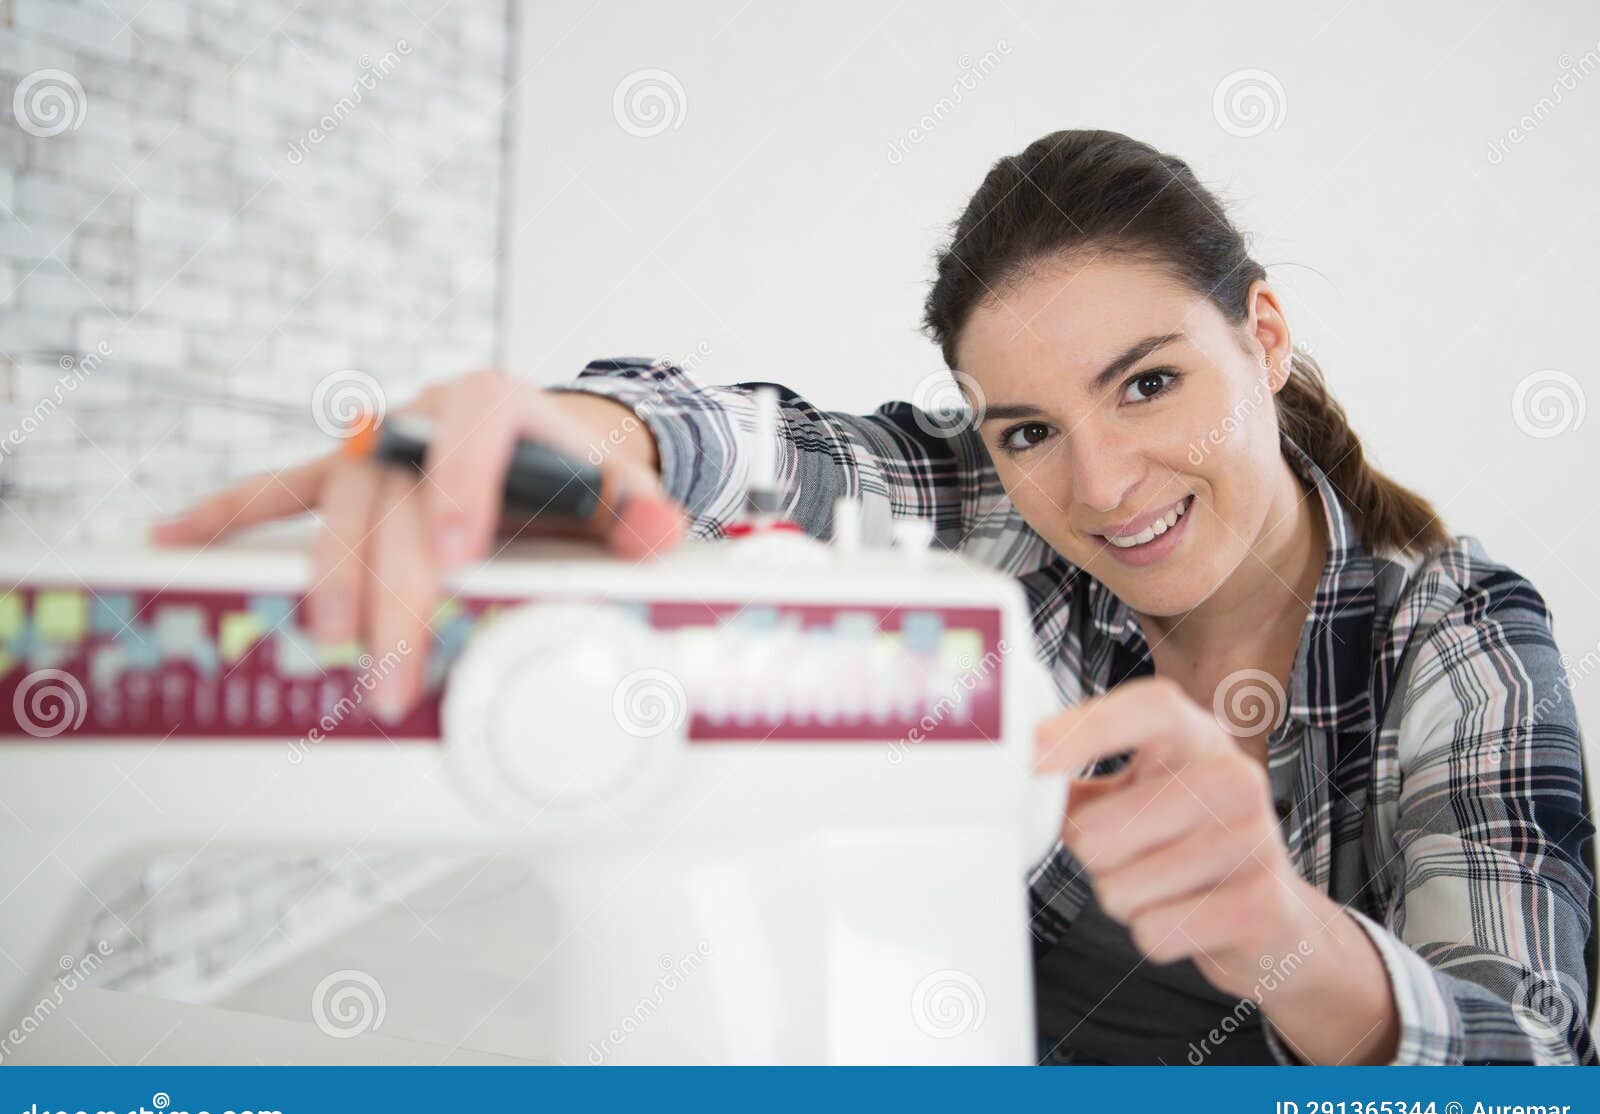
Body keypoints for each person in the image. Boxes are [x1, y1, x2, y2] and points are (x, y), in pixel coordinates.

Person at [154, 129, 1595, 1065]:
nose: (1098, 487)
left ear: (1262, 337)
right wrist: (557, 439)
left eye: (1150, 382)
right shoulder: (988, 521)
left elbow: (1523, 1082)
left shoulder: (1456, 640)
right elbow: (737, 443)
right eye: (1027, 428)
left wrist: (1279, 929)